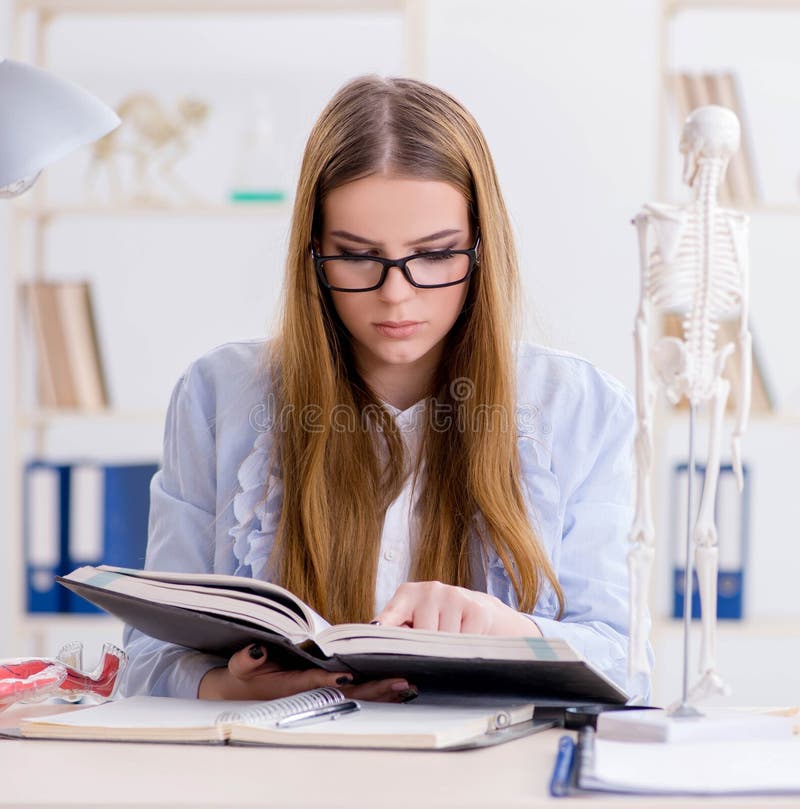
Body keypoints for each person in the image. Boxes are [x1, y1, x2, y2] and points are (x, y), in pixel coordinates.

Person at [119, 75, 651, 704]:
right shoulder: (218, 395)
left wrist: (505, 629)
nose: (395, 294)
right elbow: (146, 662)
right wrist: (225, 687)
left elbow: (627, 671)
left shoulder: (580, 407)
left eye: (434, 255)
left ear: (481, 249)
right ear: (312, 254)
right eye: (358, 257)